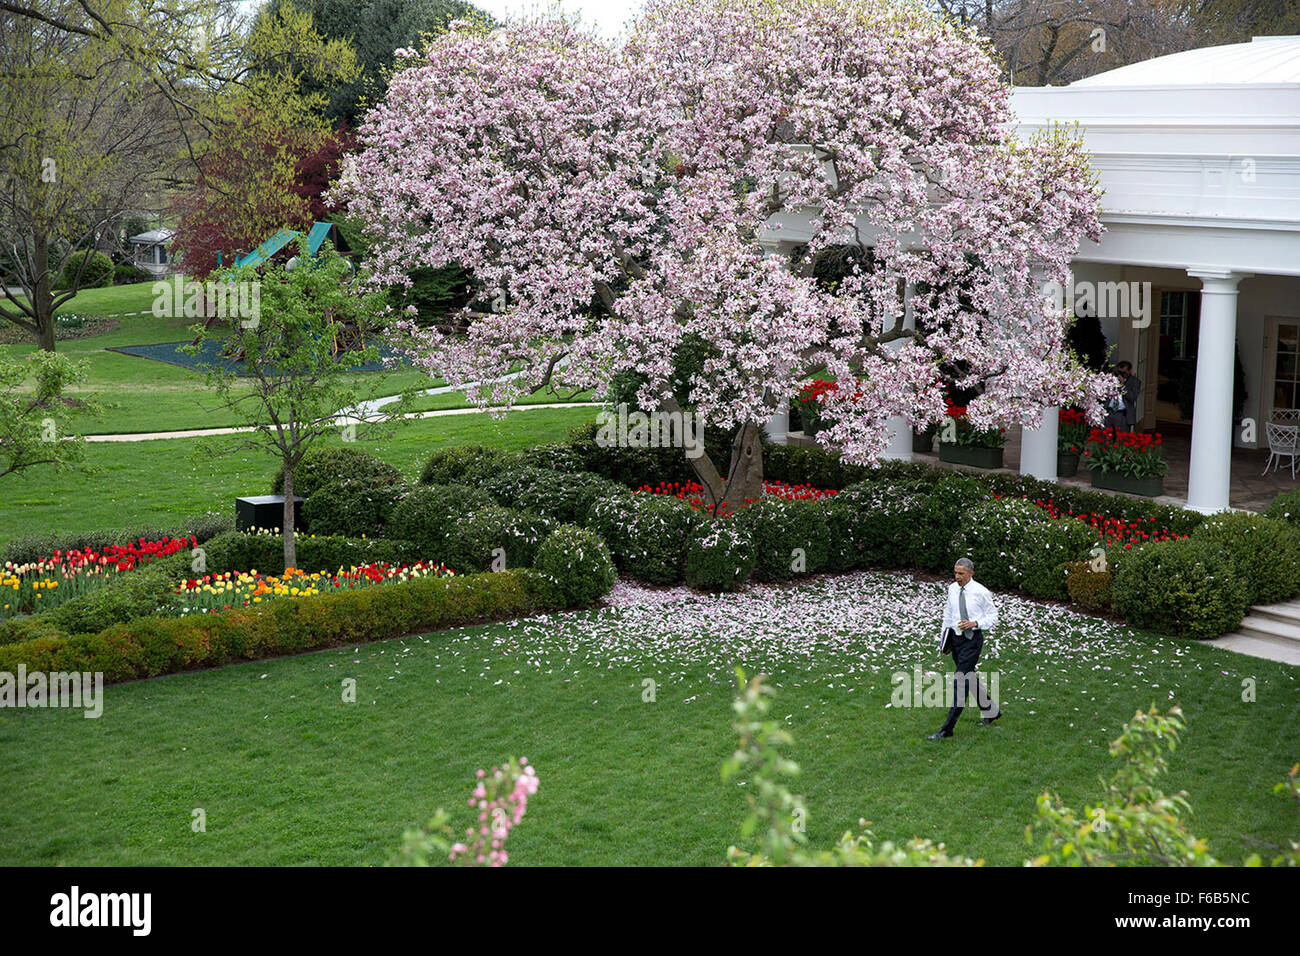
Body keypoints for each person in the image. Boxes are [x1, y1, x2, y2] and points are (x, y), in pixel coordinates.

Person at [928, 557, 1001, 739]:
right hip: (956, 640)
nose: (957, 577)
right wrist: (944, 641)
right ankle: (991, 711)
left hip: (972, 641)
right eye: (955, 573)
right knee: (968, 676)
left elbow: (993, 616)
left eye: (961, 573)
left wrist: (975, 623)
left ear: (971, 573)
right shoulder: (952, 589)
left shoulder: (981, 592)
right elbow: (948, 614)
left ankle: (947, 729)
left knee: (960, 681)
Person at [1117, 361, 1142, 430]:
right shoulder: (1113, 379)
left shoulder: (1135, 382)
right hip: (1111, 414)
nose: (1122, 374)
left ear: (1129, 371)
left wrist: (1123, 386)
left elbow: (1132, 397)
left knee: (1123, 439)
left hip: (1124, 415)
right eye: (1120, 372)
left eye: (1124, 372)